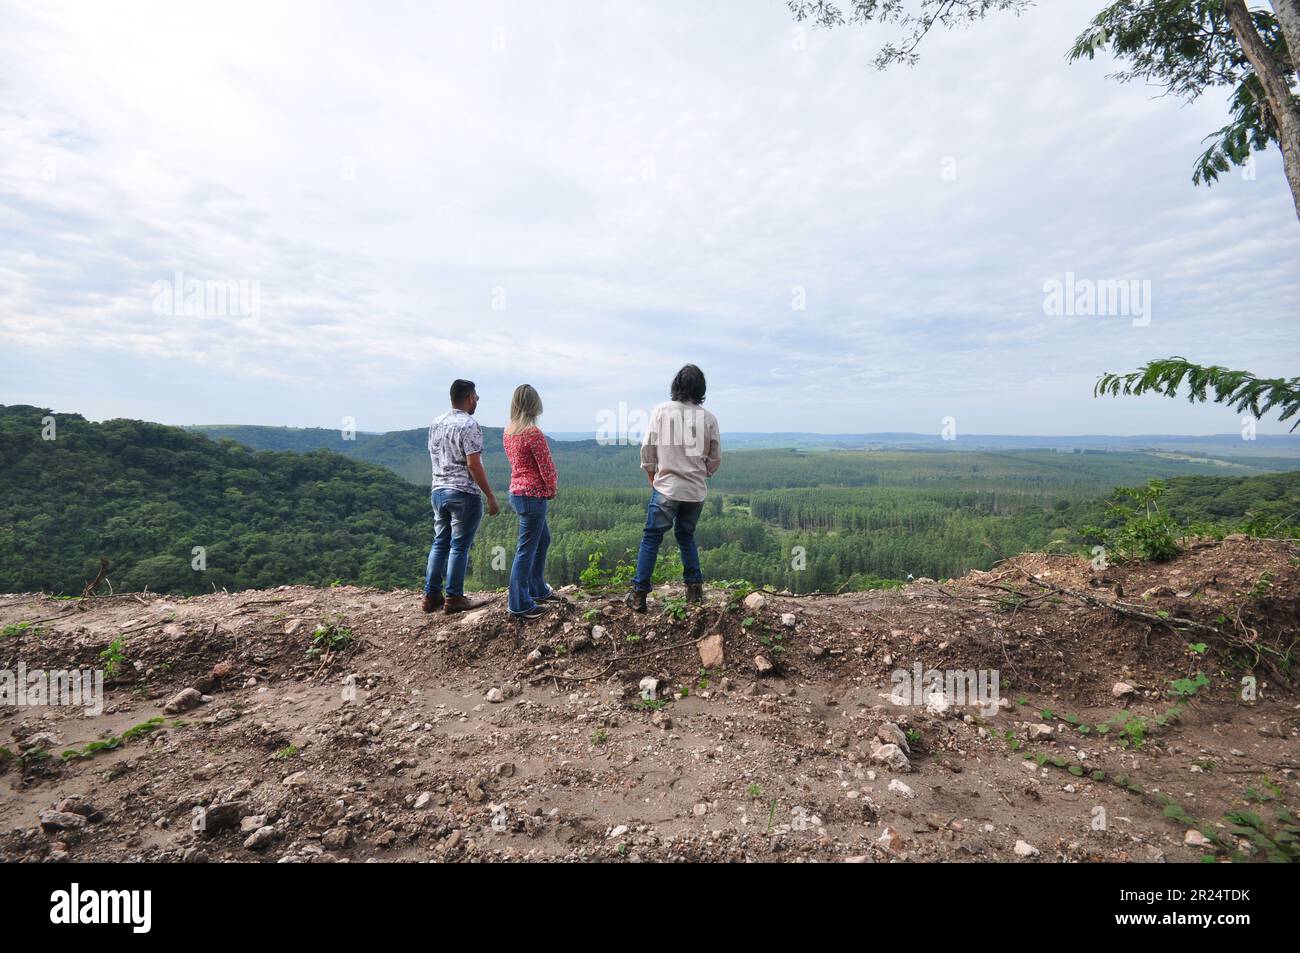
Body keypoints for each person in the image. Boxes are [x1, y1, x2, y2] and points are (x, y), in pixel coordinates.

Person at [626, 364, 721, 612]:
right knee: (686, 536)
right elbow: (714, 457)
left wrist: (651, 474)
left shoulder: (661, 411)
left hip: (666, 487)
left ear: (676, 385)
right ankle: (694, 592)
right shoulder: (708, 418)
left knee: (651, 537)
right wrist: (704, 473)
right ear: (701, 388)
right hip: (694, 491)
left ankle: (639, 595)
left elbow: (648, 448)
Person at [423, 379, 499, 614]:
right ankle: (454, 597)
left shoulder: (436, 423)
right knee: (459, 546)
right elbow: (474, 464)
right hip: (463, 493)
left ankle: (431, 595)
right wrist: (489, 495)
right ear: (468, 398)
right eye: (475, 397)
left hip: (438, 491)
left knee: (439, 543)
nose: (477, 400)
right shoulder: (470, 425)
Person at [502, 384, 559, 620]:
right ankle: (519, 603)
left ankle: (537, 589)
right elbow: (546, 466)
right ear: (534, 404)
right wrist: (551, 488)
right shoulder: (533, 433)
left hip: (517, 493)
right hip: (533, 495)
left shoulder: (509, 431)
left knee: (542, 540)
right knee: (525, 550)